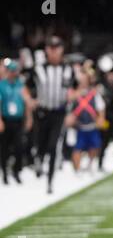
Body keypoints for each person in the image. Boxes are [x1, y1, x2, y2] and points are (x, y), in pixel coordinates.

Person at [27, 36, 76, 194]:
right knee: (41, 144)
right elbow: (25, 86)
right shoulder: (38, 69)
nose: (54, 51)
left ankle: (50, 181)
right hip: (42, 112)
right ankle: (39, 161)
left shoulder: (68, 69)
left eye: (57, 48)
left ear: (62, 49)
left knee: (53, 145)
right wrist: (30, 100)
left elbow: (74, 89)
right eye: (51, 48)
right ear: (47, 50)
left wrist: (71, 105)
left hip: (59, 112)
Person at [0, 58, 33, 184]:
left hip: (18, 120)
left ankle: (16, 171)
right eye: (11, 71)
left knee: (19, 147)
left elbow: (27, 103)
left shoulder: (21, 86)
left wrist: (29, 118)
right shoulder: (2, 85)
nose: (13, 73)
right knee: (4, 148)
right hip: (6, 119)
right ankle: (5, 174)